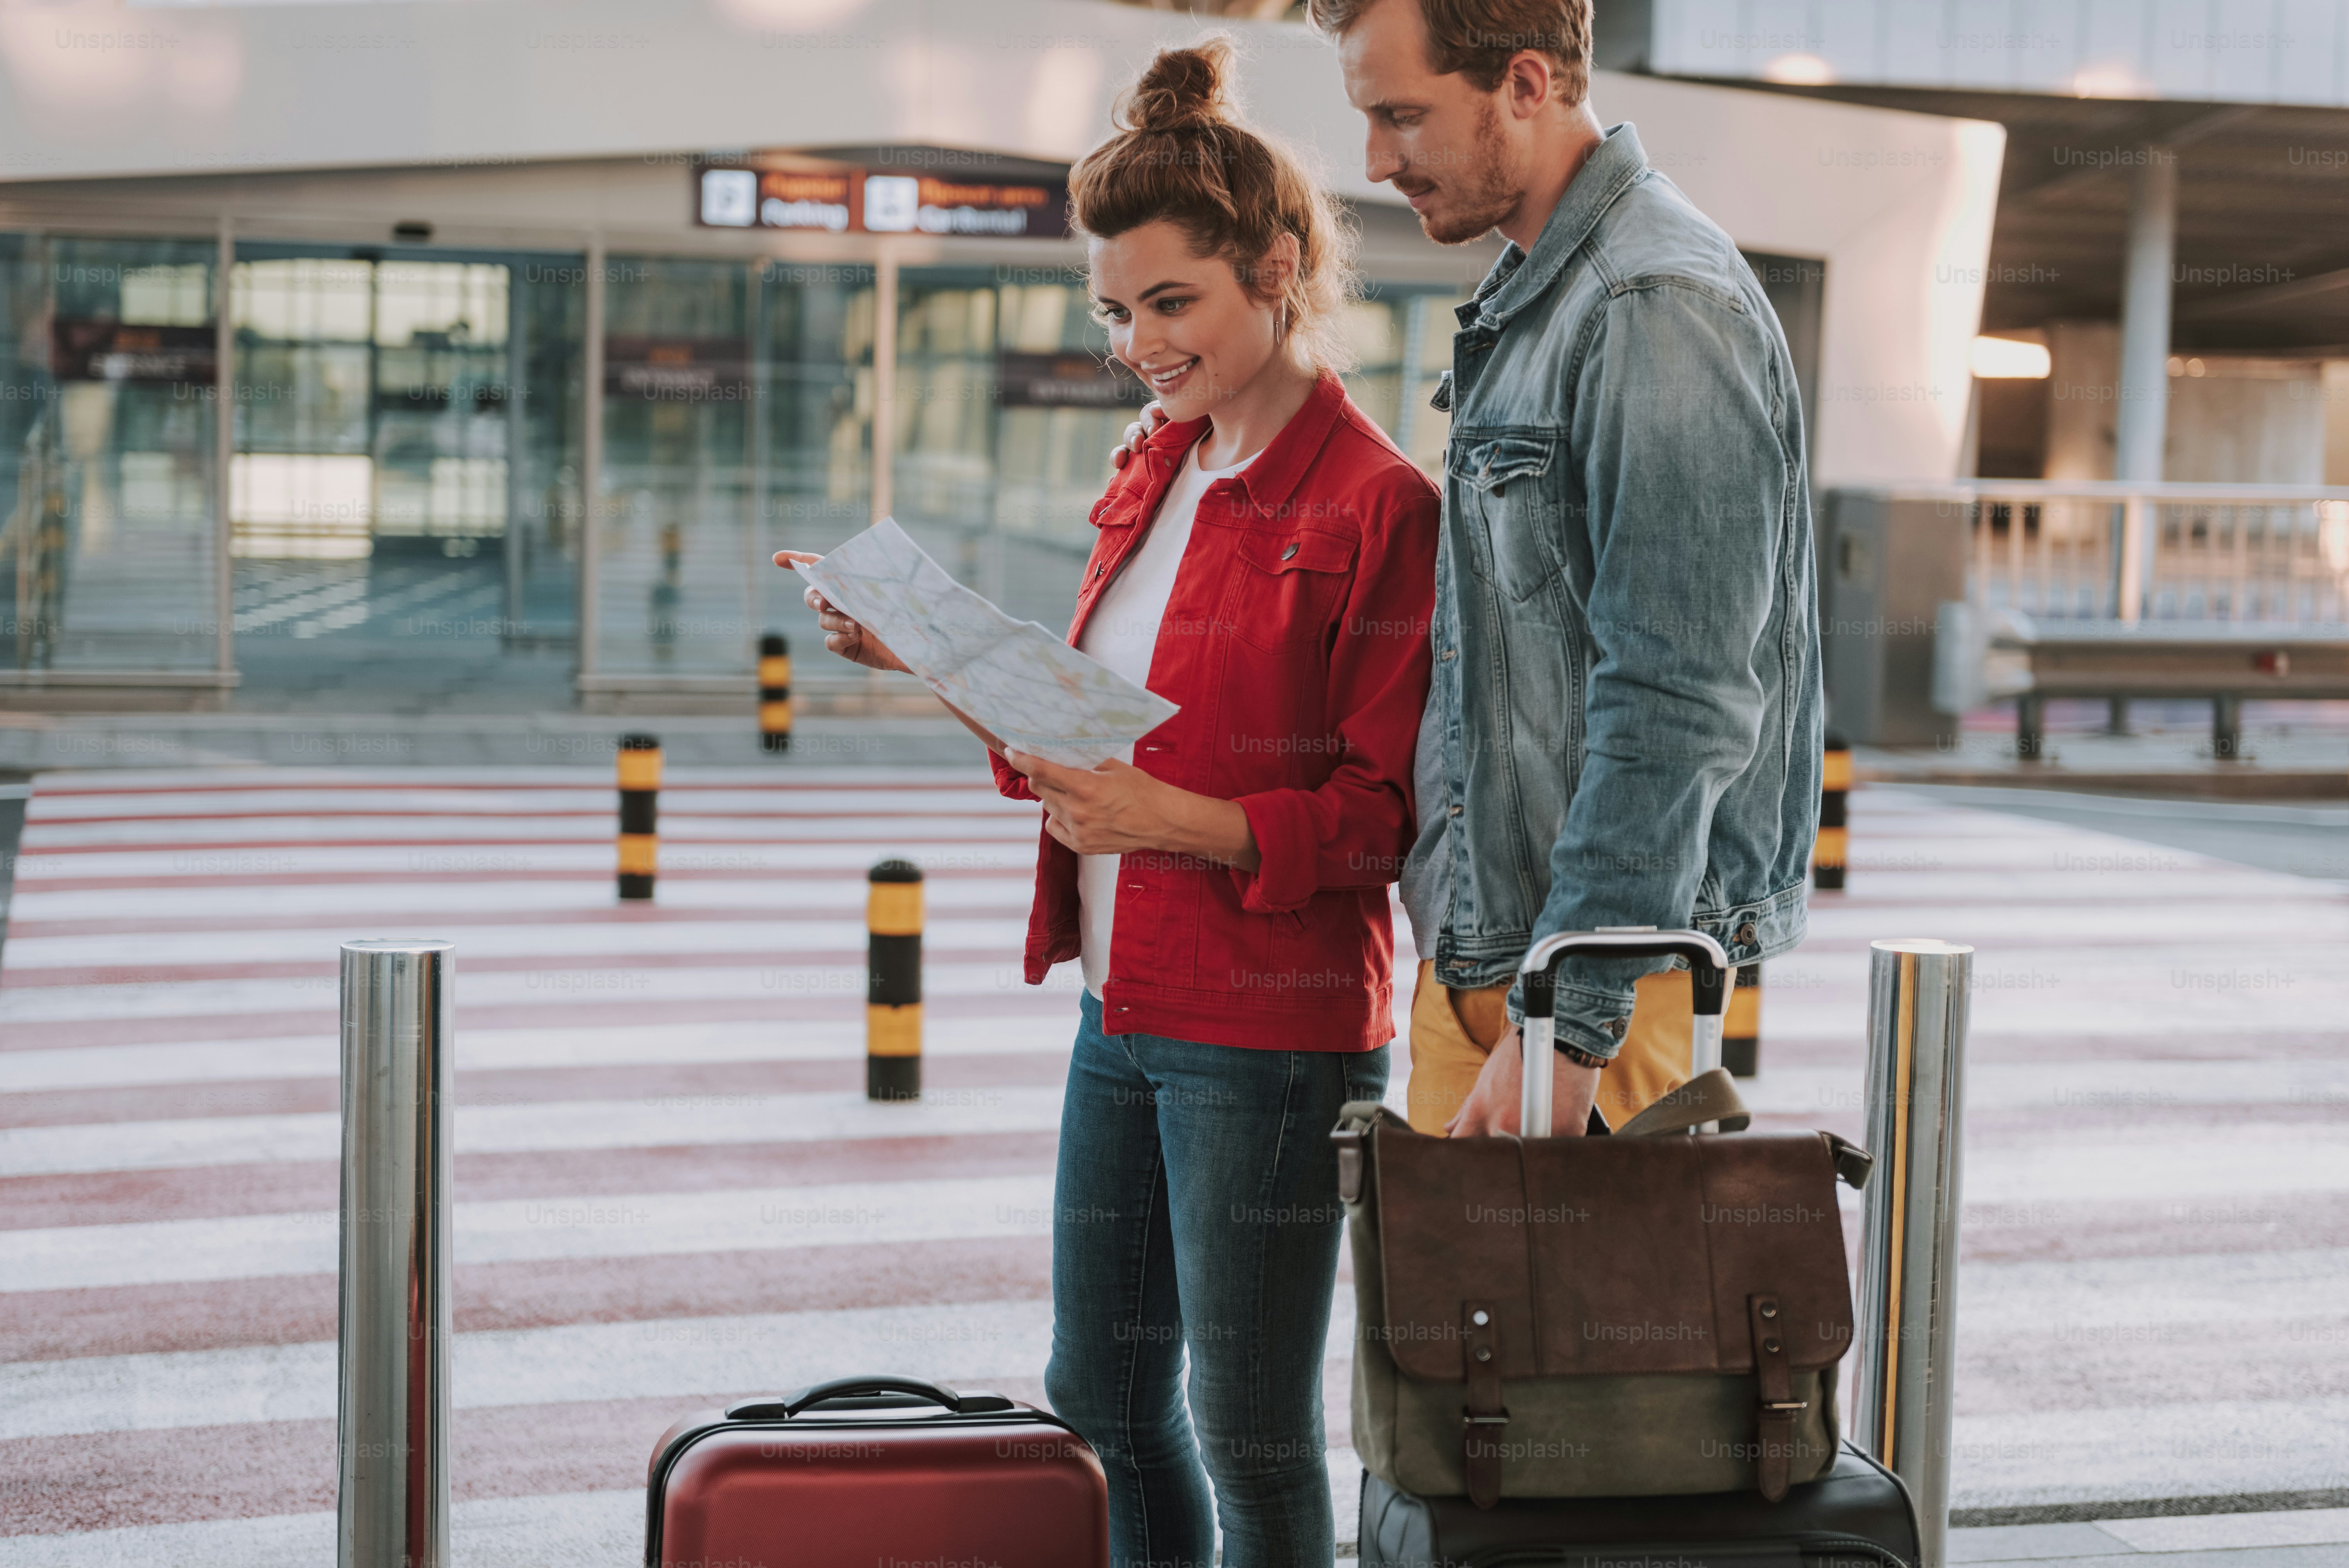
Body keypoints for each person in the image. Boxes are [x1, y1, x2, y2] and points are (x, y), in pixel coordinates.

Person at [782, 39, 1437, 1568]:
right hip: (1123, 1000)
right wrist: (927, 651)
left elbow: (1386, 814)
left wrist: (1179, 822)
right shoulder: (1153, 475)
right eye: (1114, 311)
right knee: (1103, 1392)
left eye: (1171, 303)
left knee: (1252, 1425)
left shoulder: (1374, 503)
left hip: (1271, 1033)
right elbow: (1075, 751)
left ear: (1275, 270)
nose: (1138, 344)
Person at [1117, 0, 1822, 1140]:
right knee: (1444, 1320)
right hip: (1498, 953)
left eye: (1403, 117)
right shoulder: (1537, 298)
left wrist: (1571, 1025)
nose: (1377, 160)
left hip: (1590, 980)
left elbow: (1682, 694)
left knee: (1569, 1316)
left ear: (1528, 86)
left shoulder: (1656, 306)